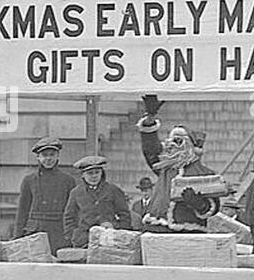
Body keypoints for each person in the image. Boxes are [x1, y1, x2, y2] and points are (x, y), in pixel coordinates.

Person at [135, 96, 218, 232]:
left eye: (178, 141)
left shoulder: (204, 173)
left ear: (190, 146)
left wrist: (198, 204)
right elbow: (150, 150)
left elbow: (212, 207)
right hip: (157, 228)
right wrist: (150, 118)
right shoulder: (164, 167)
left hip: (187, 231)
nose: (172, 144)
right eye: (170, 140)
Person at [14, 136, 76, 253]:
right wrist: (17, 237)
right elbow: (22, 210)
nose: (48, 159)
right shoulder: (29, 180)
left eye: (52, 155)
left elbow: (72, 212)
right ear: (38, 157)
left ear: (58, 156)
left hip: (59, 233)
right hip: (35, 231)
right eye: (44, 155)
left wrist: (73, 235)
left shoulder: (68, 180)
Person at [63, 155, 133, 248]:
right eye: (90, 173)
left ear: (102, 173)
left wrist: (115, 228)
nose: (94, 176)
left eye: (97, 172)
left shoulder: (113, 190)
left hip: (109, 240)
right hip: (84, 241)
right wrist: (74, 236)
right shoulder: (76, 192)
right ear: (83, 175)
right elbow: (69, 217)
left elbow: (125, 215)